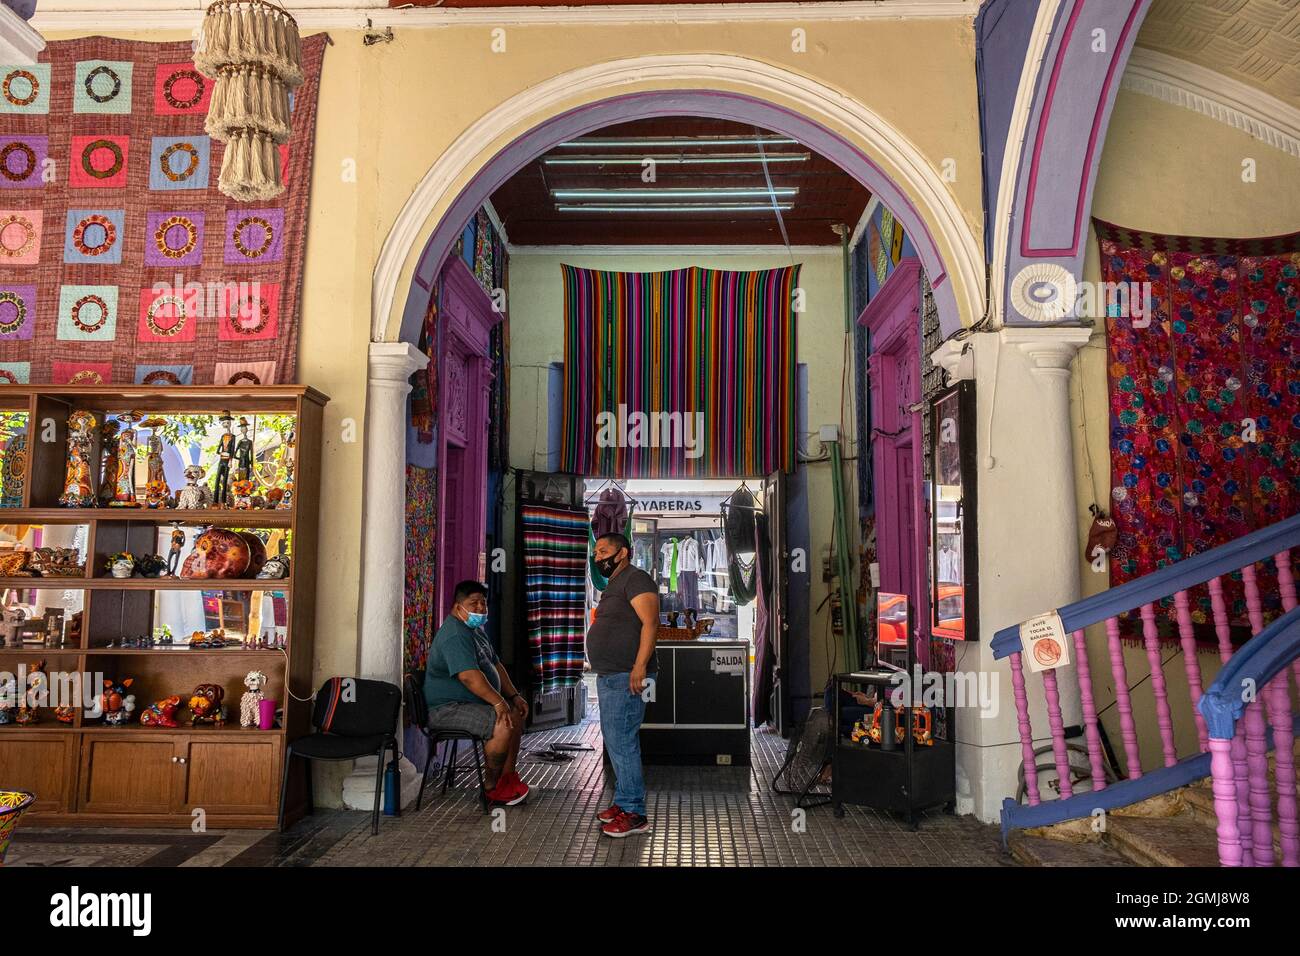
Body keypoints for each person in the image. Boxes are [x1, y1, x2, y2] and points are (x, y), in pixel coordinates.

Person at [423, 580, 529, 806]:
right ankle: (491, 787)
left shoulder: (475, 631)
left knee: (516, 714)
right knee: (502, 722)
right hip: (447, 709)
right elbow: (469, 677)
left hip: (471, 705)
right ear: (457, 606)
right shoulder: (455, 634)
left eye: (483, 603)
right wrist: (499, 704)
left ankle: (507, 779)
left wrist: (513, 696)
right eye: (474, 603)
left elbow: (496, 666)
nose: (481, 608)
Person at [588, 532, 659, 837]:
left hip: (626, 675)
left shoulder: (636, 578)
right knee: (616, 740)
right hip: (610, 675)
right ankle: (622, 801)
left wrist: (639, 666)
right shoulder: (614, 583)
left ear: (623, 553)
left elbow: (651, 623)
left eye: (604, 551)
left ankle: (635, 813)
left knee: (623, 741)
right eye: (596, 552)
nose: (598, 557)